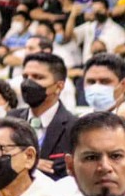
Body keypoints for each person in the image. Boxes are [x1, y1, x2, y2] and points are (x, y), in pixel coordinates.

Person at [9, 51, 77, 179]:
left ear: (59, 86)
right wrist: (29, 163)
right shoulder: (11, 120)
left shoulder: (74, 127)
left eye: (38, 77)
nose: (28, 83)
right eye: (25, 77)